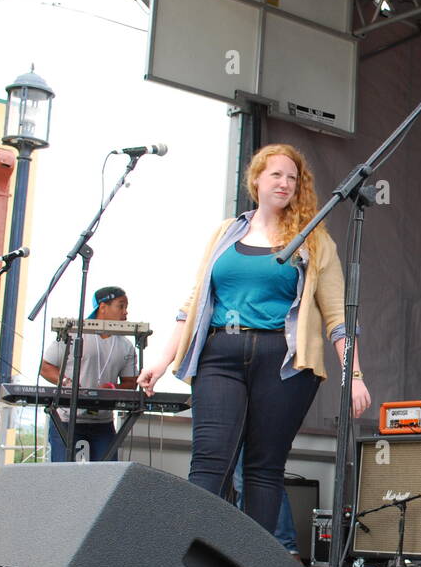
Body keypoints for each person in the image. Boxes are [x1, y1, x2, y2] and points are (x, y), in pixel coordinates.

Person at [137, 143, 372, 535]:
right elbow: (193, 302)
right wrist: (161, 360)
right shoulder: (225, 233)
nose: (284, 183)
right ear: (256, 180)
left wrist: (356, 375)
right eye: (276, 174)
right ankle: (192, 556)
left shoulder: (314, 241)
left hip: (282, 360)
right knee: (209, 461)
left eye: (292, 178)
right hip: (220, 353)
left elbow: (338, 318)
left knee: (264, 468)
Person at [39, 286, 138, 462]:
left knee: (106, 478)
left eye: (126, 307)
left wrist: (112, 388)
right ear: (102, 306)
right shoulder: (73, 334)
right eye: (120, 306)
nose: (125, 312)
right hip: (66, 419)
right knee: (64, 476)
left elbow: (131, 382)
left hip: (103, 422)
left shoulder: (126, 345)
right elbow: (46, 367)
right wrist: (68, 383)